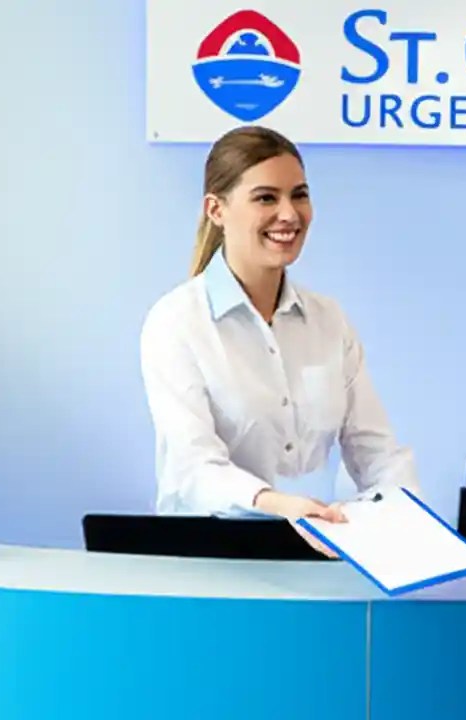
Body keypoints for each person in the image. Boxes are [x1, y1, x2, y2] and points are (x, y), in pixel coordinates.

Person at [139, 125, 419, 555]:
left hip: (316, 552)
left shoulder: (328, 320)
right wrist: (280, 506)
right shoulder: (176, 322)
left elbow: (377, 451)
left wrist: (405, 517)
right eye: (266, 197)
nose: (289, 214)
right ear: (216, 209)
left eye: (300, 194)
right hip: (207, 560)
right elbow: (194, 467)